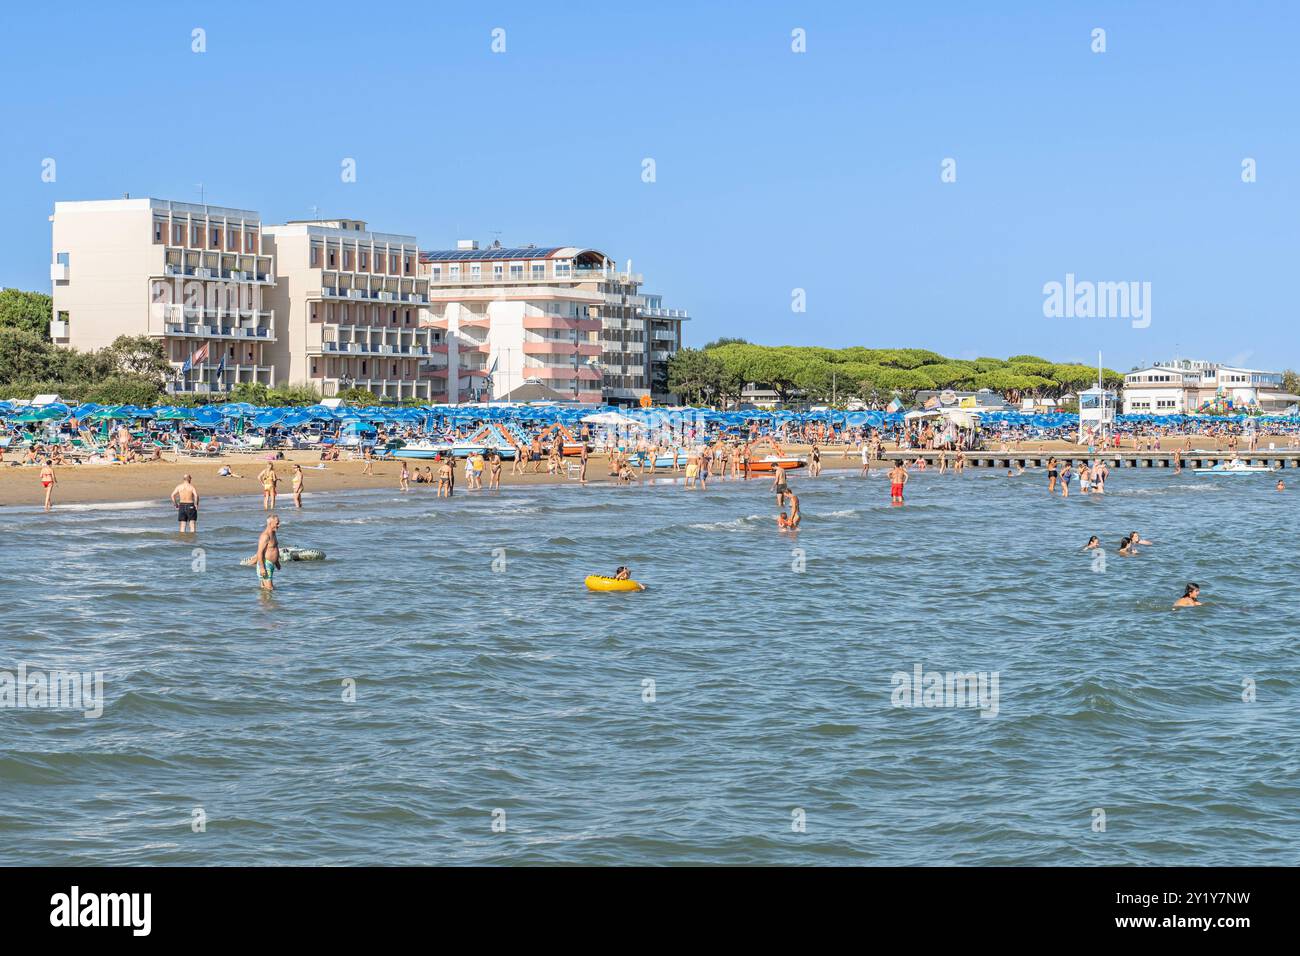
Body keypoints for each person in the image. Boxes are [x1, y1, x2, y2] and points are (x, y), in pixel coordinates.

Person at [254, 515, 281, 591]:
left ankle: (265, 602)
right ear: (270, 523)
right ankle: (268, 603)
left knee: (266, 590)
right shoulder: (265, 536)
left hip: (270, 564)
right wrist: (262, 568)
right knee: (269, 589)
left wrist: (277, 562)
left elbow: (273, 548)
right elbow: (260, 553)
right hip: (265, 565)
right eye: (277, 523)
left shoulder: (273, 533)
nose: (279, 525)